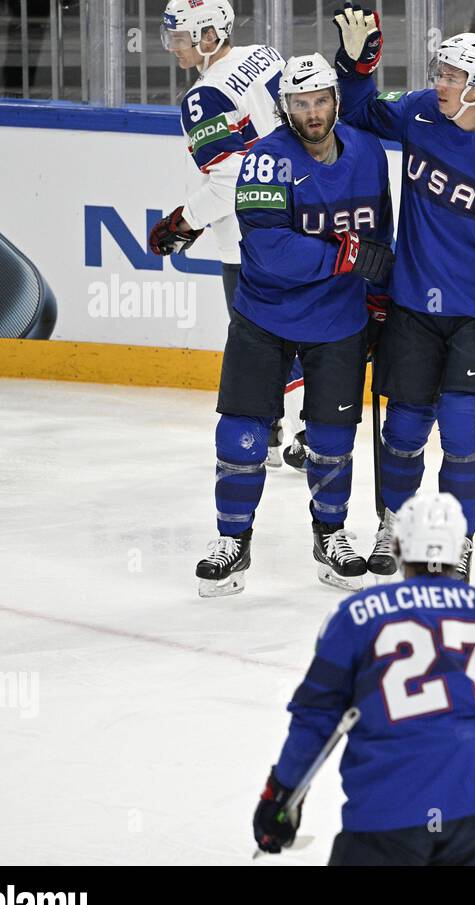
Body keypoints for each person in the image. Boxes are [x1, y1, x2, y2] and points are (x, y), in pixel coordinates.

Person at [332, 6, 475, 583]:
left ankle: (453, 542)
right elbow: (361, 112)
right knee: (404, 429)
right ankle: (395, 525)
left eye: (451, 77)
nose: (438, 83)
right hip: (413, 302)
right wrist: (357, 64)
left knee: (463, 431)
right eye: (439, 72)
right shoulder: (419, 114)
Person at [252, 492, 475, 865]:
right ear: (459, 549)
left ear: (398, 548)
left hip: (391, 806)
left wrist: (281, 793)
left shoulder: (357, 615)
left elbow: (315, 718)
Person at [194, 53, 395, 597]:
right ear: (284, 107)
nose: (312, 112)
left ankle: (330, 536)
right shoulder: (265, 159)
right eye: (300, 103)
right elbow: (266, 249)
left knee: (331, 440)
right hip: (264, 317)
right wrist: (342, 258)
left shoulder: (369, 154)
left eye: (321, 100)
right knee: (240, 435)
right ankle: (232, 541)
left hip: (340, 322)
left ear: (335, 100)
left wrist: (378, 304)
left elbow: (378, 237)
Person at [152, 0, 302, 468]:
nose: (173, 46)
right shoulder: (266, 54)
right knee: (297, 328)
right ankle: (289, 430)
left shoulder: (203, 96)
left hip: (251, 236)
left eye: (181, 37)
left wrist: (185, 220)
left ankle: (294, 432)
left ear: (209, 36)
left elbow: (231, 180)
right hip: (301, 212)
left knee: (260, 338)